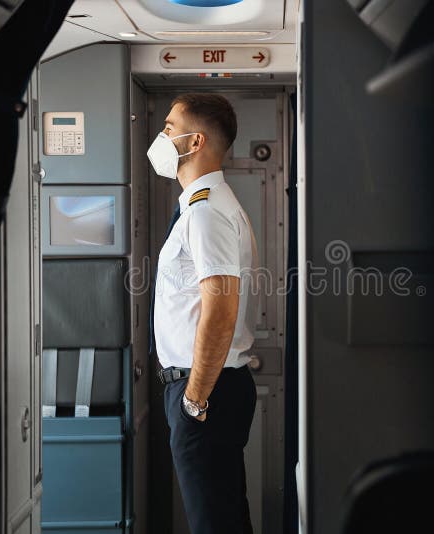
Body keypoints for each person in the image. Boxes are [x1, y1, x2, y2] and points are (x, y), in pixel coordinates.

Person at [147, 93, 258, 534]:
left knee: (213, 523)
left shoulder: (206, 211)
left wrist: (194, 398)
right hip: (210, 388)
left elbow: (220, 306)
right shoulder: (204, 206)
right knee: (224, 518)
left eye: (170, 128)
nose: (162, 137)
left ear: (196, 141)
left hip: (204, 390)